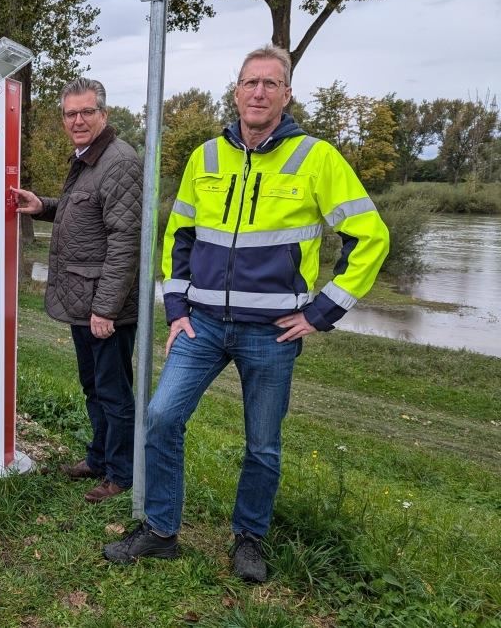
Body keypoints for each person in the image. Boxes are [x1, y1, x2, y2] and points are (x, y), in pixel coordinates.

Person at [103, 45, 390, 581]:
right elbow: (180, 237)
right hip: (203, 324)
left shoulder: (317, 158)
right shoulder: (206, 156)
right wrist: (177, 306)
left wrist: (323, 311)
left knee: (262, 444)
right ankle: (161, 531)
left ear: (286, 94)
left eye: (270, 84)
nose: (258, 92)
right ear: (235, 91)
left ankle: (249, 539)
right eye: (249, 82)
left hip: (274, 334)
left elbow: (370, 236)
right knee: (162, 418)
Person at [13, 77, 143, 504]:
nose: (78, 120)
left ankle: (121, 474)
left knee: (114, 390)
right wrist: (44, 206)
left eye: (87, 112)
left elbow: (126, 240)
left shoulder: (119, 162)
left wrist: (105, 309)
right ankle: (100, 457)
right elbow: (87, 213)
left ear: (104, 114)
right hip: (83, 303)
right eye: (71, 113)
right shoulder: (88, 159)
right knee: (94, 385)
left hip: (106, 308)